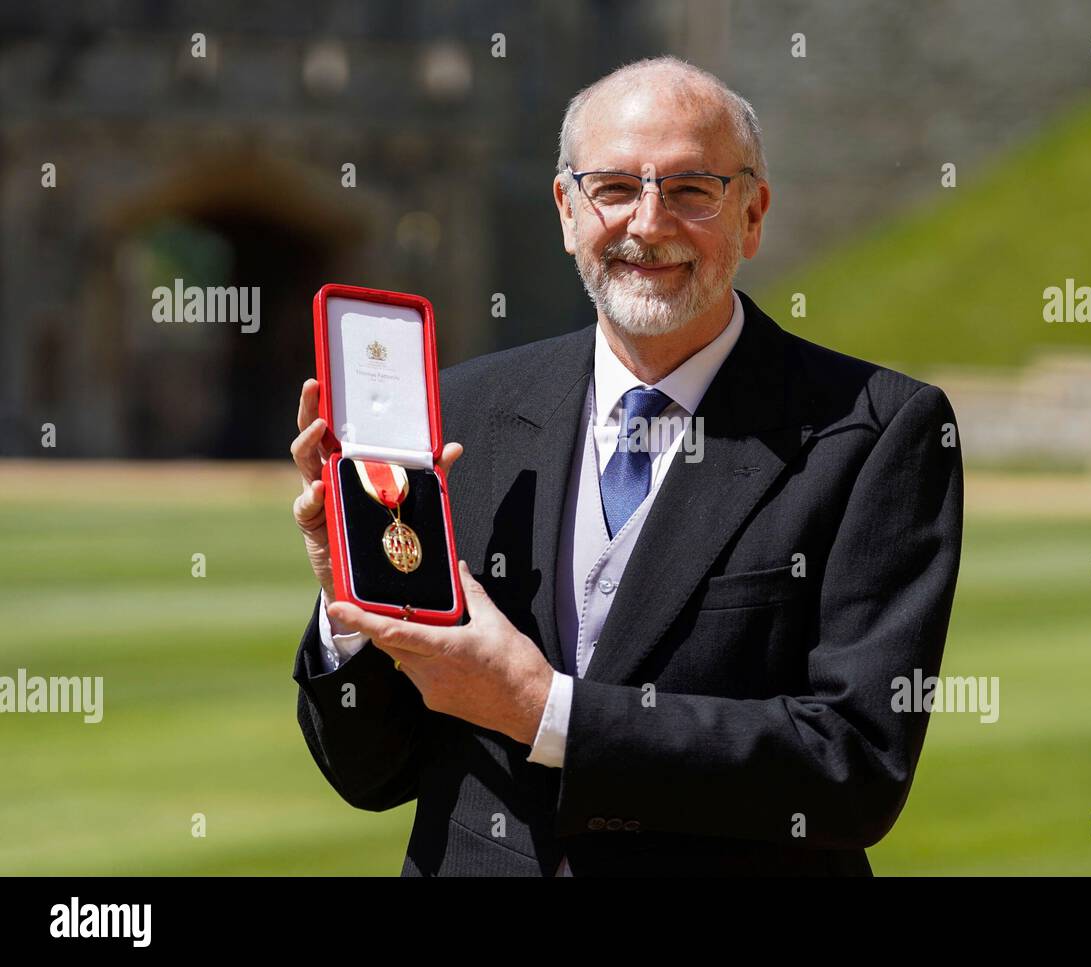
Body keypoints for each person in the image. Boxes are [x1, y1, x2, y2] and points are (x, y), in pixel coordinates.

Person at [289, 55, 963, 876]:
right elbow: (373, 774)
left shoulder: (879, 431)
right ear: (567, 210)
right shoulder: (458, 413)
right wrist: (348, 610)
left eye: (691, 189)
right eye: (613, 188)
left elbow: (854, 769)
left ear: (752, 215)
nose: (648, 223)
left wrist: (548, 711)